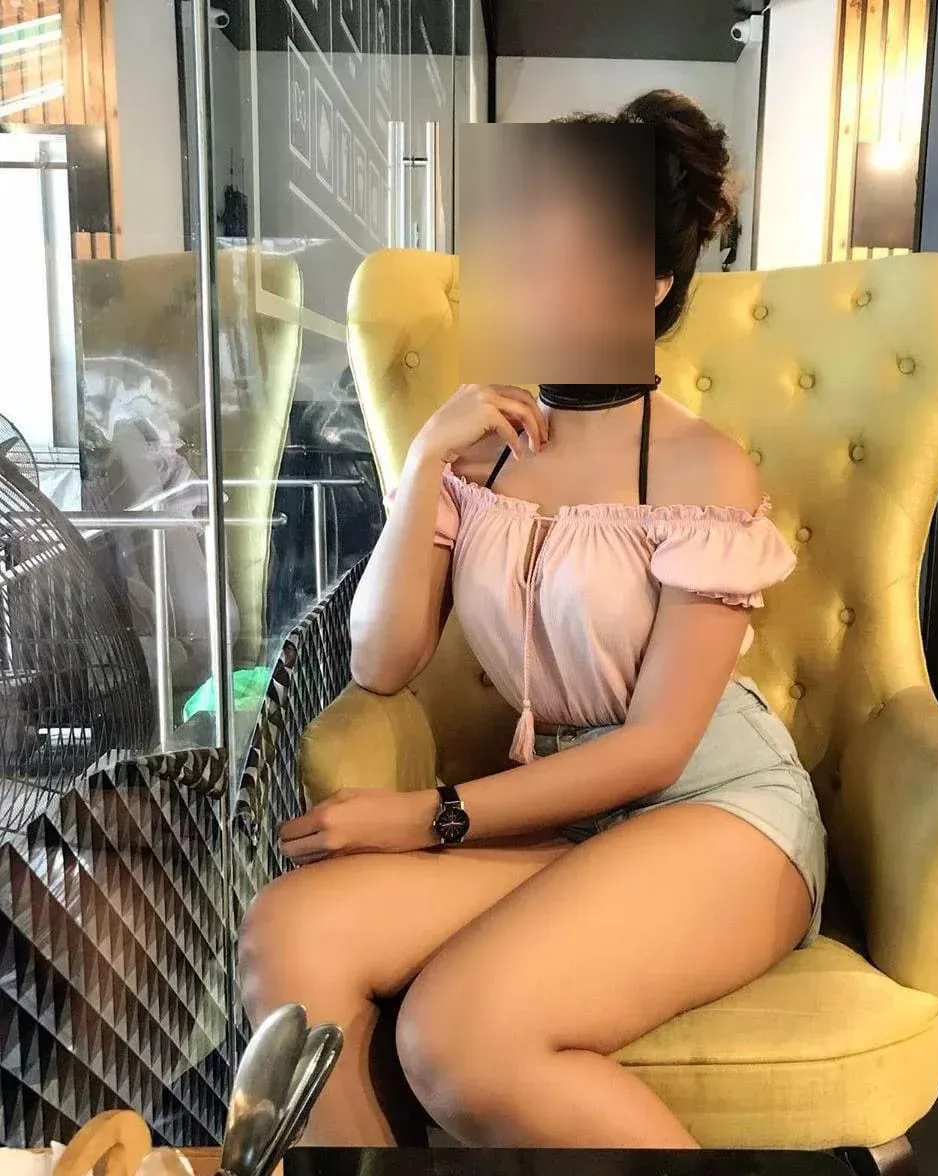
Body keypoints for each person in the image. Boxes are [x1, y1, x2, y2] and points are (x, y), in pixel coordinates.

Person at [240, 90, 827, 1149]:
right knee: (292, 932)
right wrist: (427, 460)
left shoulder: (705, 470)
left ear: (653, 283)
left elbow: (655, 749)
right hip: (569, 820)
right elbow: (380, 662)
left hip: (718, 811)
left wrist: (423, 818)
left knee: (455, 1035)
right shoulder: (479, 450)